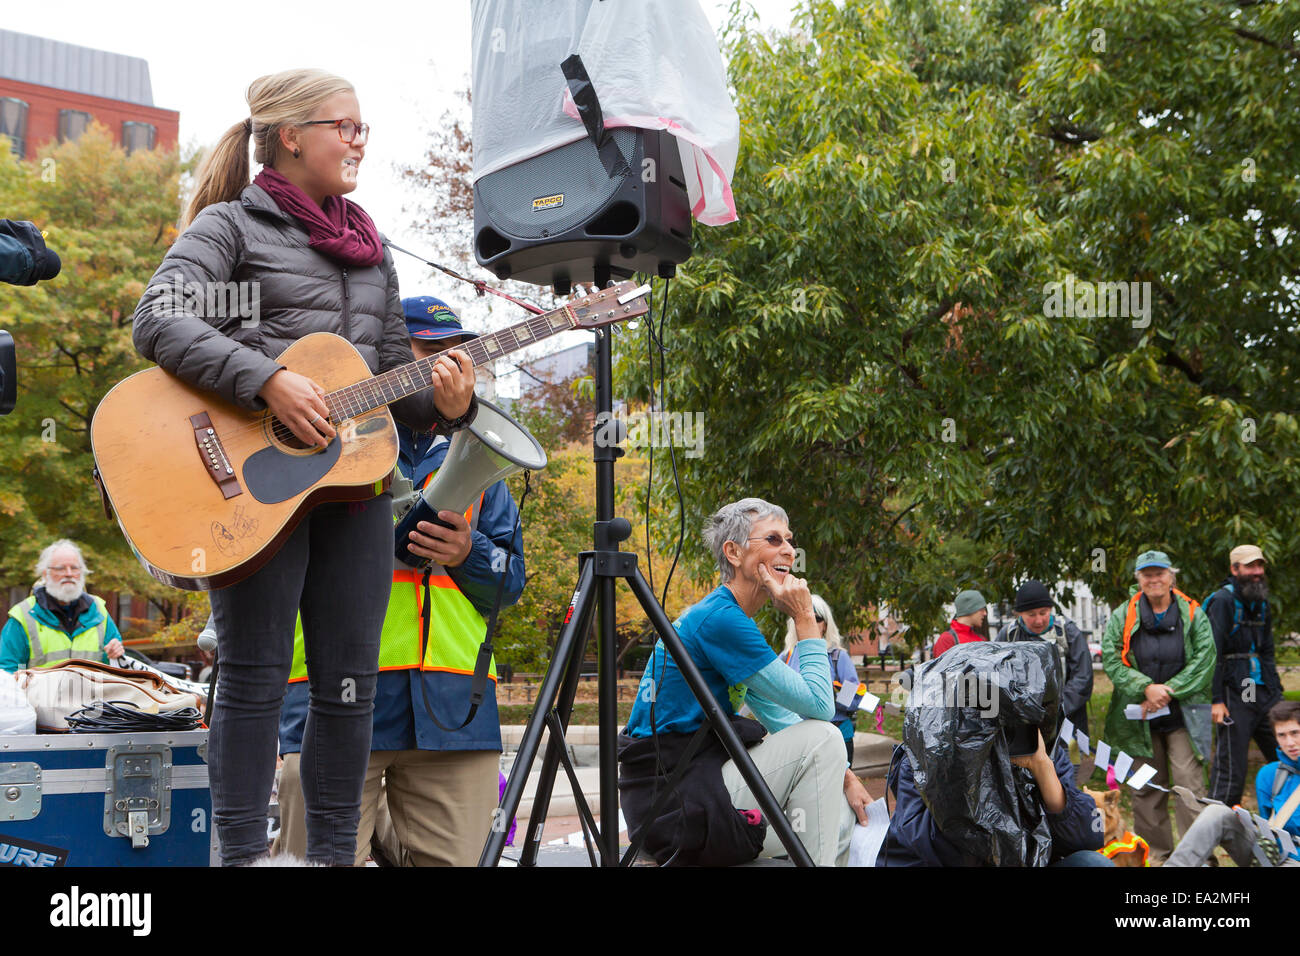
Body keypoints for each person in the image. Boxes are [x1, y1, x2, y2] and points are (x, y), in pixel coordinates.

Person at [130, 69, 476, 866]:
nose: (360, 141)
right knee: (253, 679)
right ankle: (243, 856)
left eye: (364, 129)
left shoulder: (372, 250)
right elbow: (158, 316)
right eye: (344, 127)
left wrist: (448, 405)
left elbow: (398, 385)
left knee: (348, 687)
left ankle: (329, 859)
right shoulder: (233, 228)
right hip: (249, 484)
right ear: (290, 137)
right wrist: (268, 380)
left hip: (355, 491)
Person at [276, 299, 525, 867]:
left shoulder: (487, 454)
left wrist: (469, 553)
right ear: (388, 358)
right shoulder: (317, 439)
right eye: (429, 350)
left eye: (454, 350)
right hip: (334, 701)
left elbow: (511, 586)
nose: (448, 363)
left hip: (456, 711)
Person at [620, 498, 860, 866]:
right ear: (733, 552)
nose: (789, 550)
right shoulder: (721, 619)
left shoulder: (732, 618)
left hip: (695, 786)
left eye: (790, 540)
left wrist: (847, 777)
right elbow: (821, 706)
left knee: (841, 816)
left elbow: (781, 716)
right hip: (672, 804)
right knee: (825, 736)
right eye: (774, 539)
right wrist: (805, 619)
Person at [1102, 550, 1215, 865]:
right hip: (1139, 717)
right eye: (1146, 574)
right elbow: (1111, 658)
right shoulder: (1123, 614)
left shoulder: (1193, 613)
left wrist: (1168, 691)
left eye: (1160, 573)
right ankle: (1159, 857)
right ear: (1138, 579)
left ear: (1171, 576)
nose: (1154, 579)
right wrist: (1144, 687)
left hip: (1184, 715)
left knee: (1189, 788)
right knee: (1147, 789)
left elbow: (1205, 658)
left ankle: (1197, 858)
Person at [878, 726, 1109, 867]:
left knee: (1093, 863)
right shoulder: (926, 754)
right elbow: (926, 846)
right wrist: (966, 768)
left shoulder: (1038, 746)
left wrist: (1042, 767)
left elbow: (1089, 836)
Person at [1167, 699, 1300, 867]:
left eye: (1295, 733)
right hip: (1272, 854)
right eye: (1282, 735)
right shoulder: (1269, 774)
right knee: (1216, 812)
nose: (1289, 743)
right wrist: (1248, 823)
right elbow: (1270, 828)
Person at [1204, 544, 1283, 805]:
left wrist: (1276, 694)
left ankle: (1288, 819)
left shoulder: (1261, 602)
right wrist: (1216, 699)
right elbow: (1211, 652)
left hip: (1262, 691)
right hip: (1234, 691)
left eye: (1260, 566)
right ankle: (1220, 831)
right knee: (1231, 768)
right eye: (1250, 566)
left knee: (1286, 753)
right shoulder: (1223, 601)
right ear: (1234, 569)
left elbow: (1267, 650)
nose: (1257, 572)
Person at [1, 540, 126, 672]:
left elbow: (115, 665)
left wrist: (115, 654)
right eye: (60, 568)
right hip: (41, 693)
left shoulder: (99, 611)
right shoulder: (24, 615)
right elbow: (9, 669)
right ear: (45, 574)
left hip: (93, 693)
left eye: (74, 568)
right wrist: (22, 678)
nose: (69, 573)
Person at [994, 580, 1094, 735]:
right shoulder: (1008, 635)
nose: (1038, 620)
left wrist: (1058, 709)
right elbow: (997, 676)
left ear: (1051, 609)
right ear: (1019, 614)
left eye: (1043, 612)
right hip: (1023, 722)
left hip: (1067, 718)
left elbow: (1083, 676)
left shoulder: (1068, 631)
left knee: (1066, 759)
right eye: (1031, 614)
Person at [780, 594, 862, 762]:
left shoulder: (838, 656)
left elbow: (855, 697)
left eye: (816, 618)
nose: (810, 622)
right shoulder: (786, 657)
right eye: (802, 617)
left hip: (836, 735)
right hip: (797, 739)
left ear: (825, 625)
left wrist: (830, 694)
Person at [932, 589, 987, 657]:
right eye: (981, 609)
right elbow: (942, 667)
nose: (985, 613)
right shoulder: (947, 640)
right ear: (970, 609)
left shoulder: (981, 639)